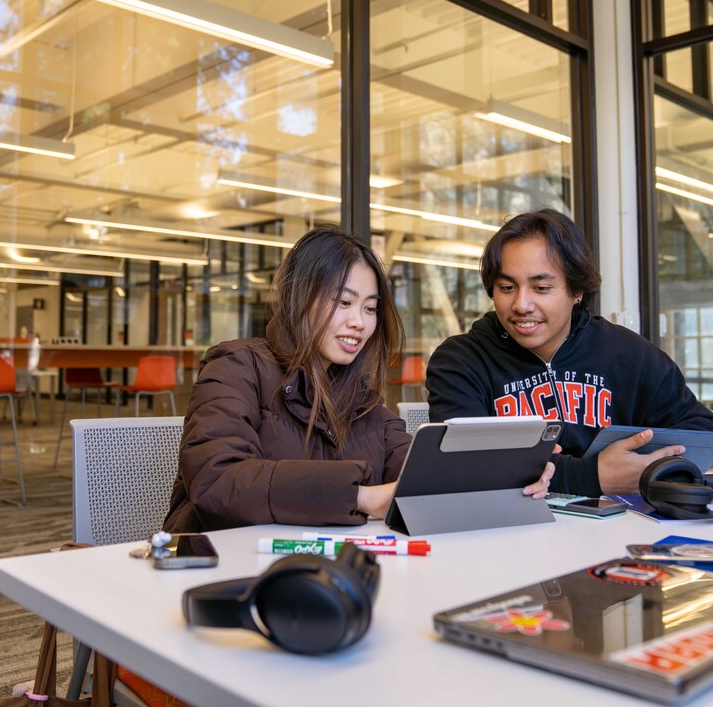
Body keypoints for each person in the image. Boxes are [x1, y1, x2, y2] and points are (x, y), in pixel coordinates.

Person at [163, 225, 560, 533]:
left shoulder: (363, 399)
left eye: (370, 308)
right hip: (221, 568)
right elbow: (218, 481)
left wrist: (508, 474)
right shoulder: (235, 366)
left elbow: (420, 471)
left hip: (323, 572)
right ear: (299, 297)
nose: (360, 322)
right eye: (344, 302)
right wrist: (360, 498)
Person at [426, 209, 713, 497]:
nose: (521, 304)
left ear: (577, 291)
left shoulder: (629, 354)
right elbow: (464, 464)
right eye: (507, 287)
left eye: (541, 287)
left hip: (623, 522)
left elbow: (701, 433)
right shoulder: (460, 361)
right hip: (514, 521)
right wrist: (591, 476)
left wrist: (635, 466)